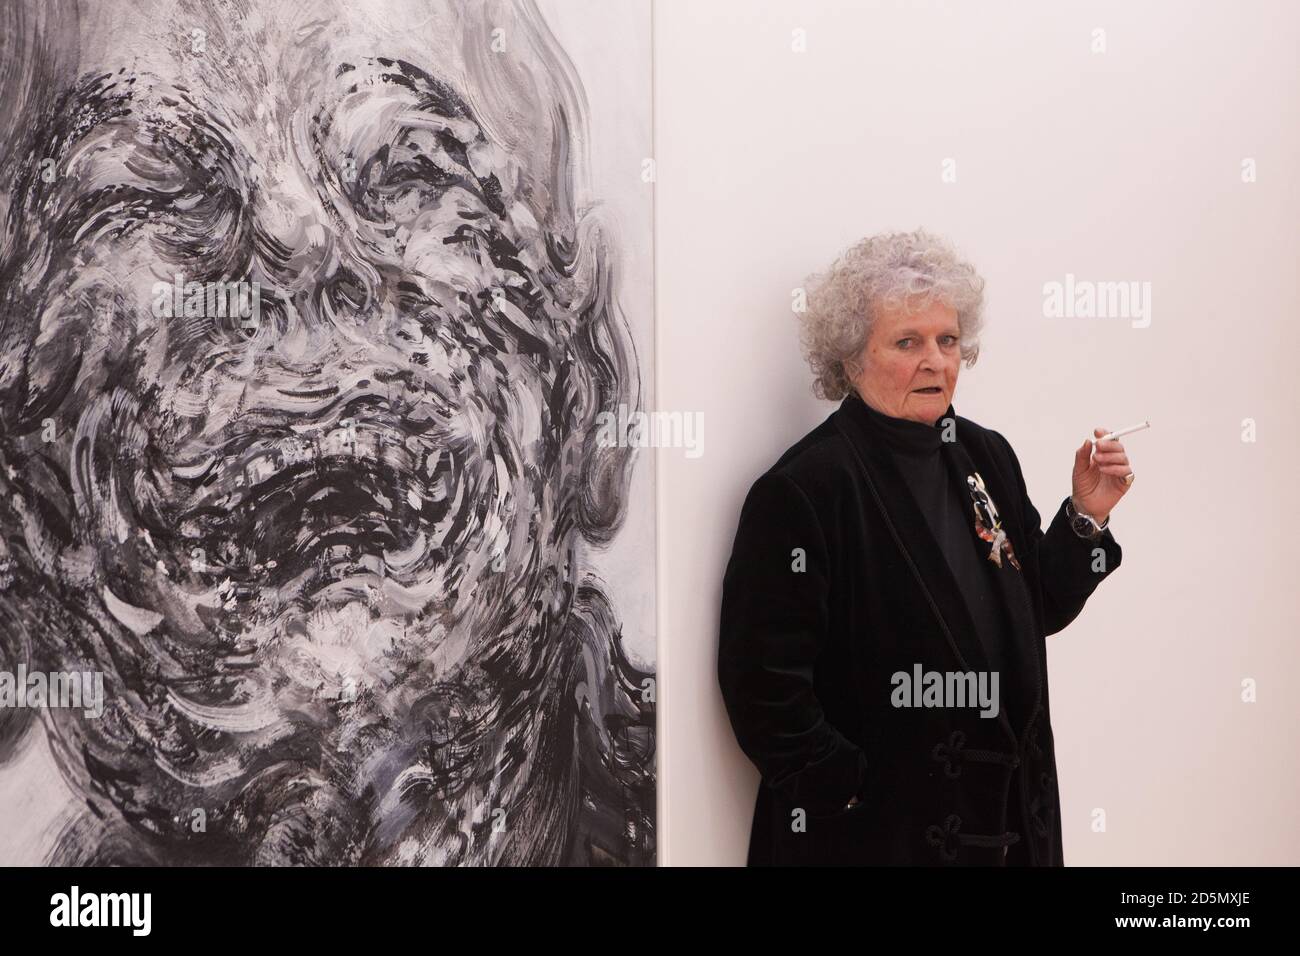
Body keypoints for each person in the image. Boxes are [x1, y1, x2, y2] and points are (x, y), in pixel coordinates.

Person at [717, 228, 1132, 865]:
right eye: (907, 342)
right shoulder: (807, 489)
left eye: (948, 340)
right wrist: (856, 795)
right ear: (852, 358)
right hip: (877, 843)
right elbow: (762, 688)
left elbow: (1036, 608)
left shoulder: (986, 455)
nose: (935, 360)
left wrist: (1085, 516)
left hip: (1008, 829)